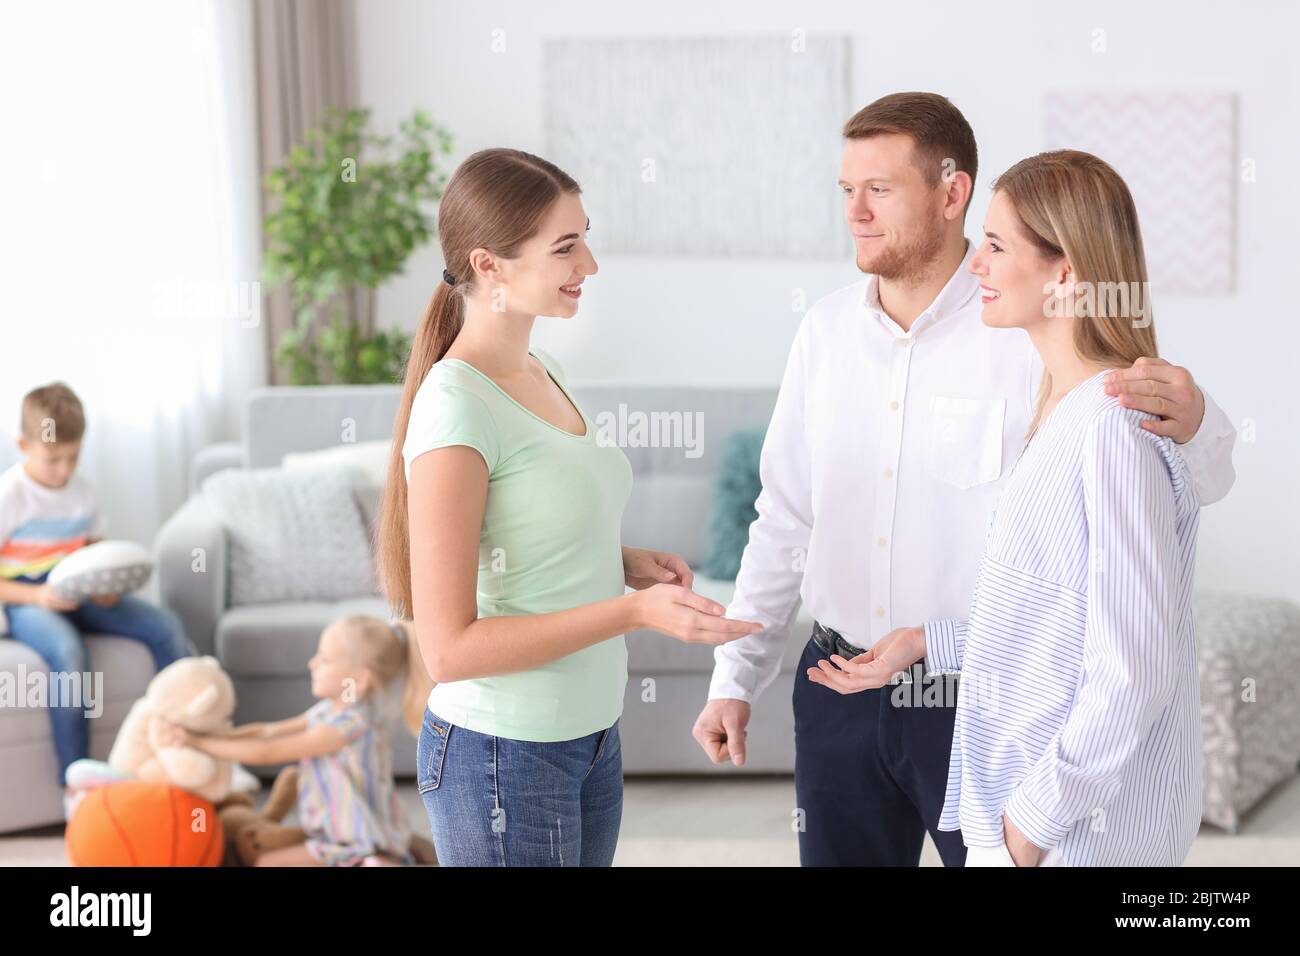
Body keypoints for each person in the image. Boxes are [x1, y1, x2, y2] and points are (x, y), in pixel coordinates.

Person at [692, 93, 1237, 866]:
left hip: (975, 693)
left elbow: (1179, 484)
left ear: (952, 194)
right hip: (838, 684)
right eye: (846, 190)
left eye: (879, 189)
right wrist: (735, 677)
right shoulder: (824, 333)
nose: (854, 212)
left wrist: (1199, 419)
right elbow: (783, 517)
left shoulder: (1029, 334)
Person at [809, 149, 1206, 867]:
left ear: (1065, 273)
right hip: (1031, 820)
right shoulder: (1061, 413)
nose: (975, 265)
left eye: (995, 246)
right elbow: (1057, 621)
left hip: (1072, 836)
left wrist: (1028, 829)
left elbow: (1133, 668)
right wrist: (927, 641)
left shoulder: (1111, 429)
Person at [374, 148, 762, 867]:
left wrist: (621, 562)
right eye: (565, 247)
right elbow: (449, 650)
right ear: (489, 265)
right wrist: (632, 612)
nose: (590, 264)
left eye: (585, 238)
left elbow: (523, 531)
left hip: (589, 735)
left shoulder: (540, 369)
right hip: (502, 752)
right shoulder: (456, 406)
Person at [0, 382, 192, 784]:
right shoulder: (10, 495)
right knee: (68, 653)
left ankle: (186, 744)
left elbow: (95, 553)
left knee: (165, 626)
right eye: (53, 459)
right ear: (23, 445)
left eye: (73, 457)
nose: (64, 470)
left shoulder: (84, 493)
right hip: (28, 600)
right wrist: (36, 595)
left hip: (80, 591)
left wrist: (105, 588)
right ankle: (77, 781)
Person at [161, 615, 422, 866]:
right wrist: (210, 736)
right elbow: (268, 732)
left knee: (266, 863)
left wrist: (196, 743)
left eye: (325, 659)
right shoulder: (327, 711)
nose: (312, 663)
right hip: (333, 834)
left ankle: (372, 861)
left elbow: (267, 752)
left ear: (359, 679)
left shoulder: (350, 725)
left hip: (358, 840)